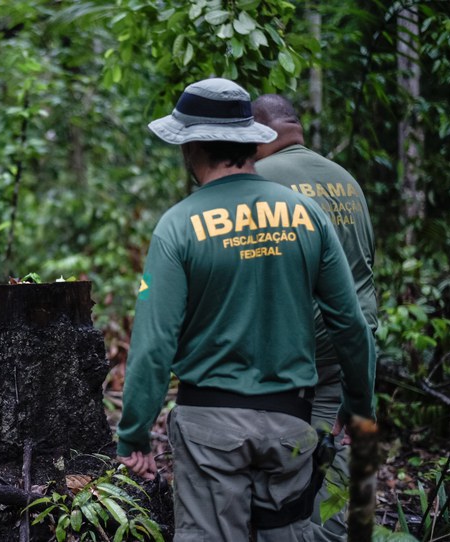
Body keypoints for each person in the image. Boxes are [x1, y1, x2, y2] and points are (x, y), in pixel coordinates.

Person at [115, 78, 376, 541]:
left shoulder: (177, 227)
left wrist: (134, 435)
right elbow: (351, 324)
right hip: (291, 425)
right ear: (249, 143)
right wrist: (358, 406)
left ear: (191, 146)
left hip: (207, 431)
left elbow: (155, 344)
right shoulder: (306, 215)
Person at [252, 94, 378, 541]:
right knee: (339, 460)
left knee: (281, 484)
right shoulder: (346, 180)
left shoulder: (258, 180)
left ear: (259, 132)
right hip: (352, 349)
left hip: (295, 355)